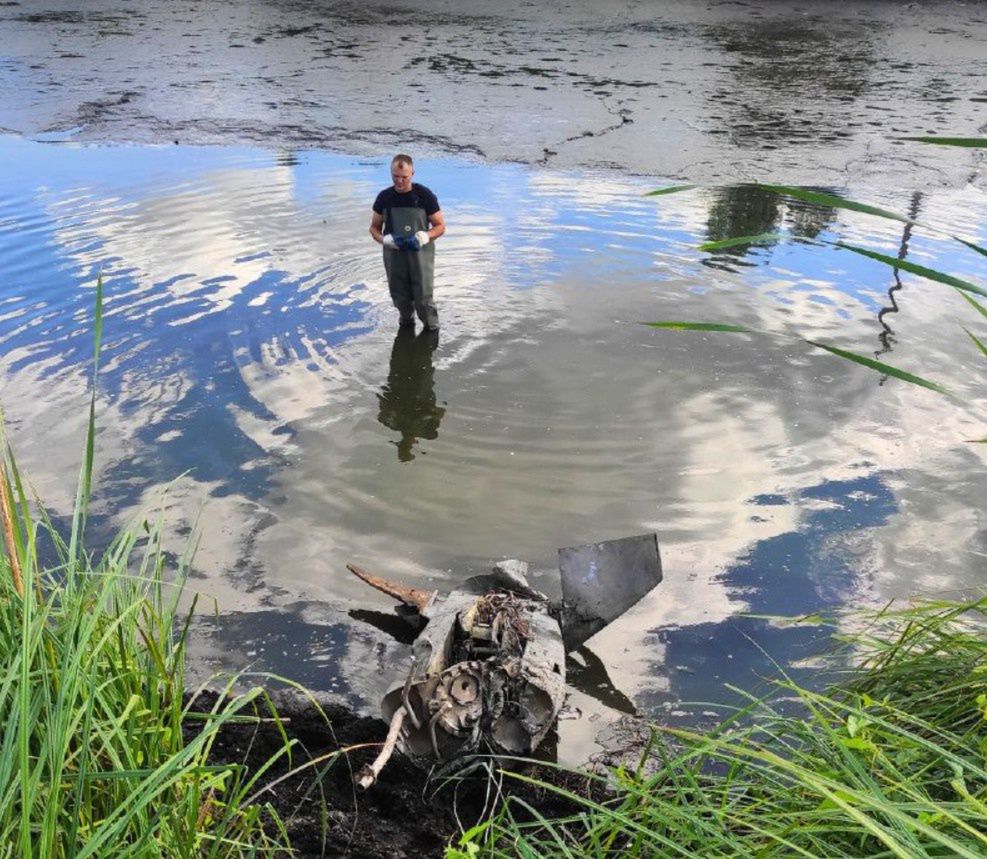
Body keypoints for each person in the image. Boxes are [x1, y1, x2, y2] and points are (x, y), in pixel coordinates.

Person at [370, 154, 445, 330]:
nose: (399, 181)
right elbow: (374, 228)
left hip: (421, 256)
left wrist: (424, 236)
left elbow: (440, 226)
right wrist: (385, 240)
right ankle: (406, 326)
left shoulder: (424, 196)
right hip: (394, 257)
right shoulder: (384, 198)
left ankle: (431, 331)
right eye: (395, 176)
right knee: (400, 298)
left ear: (412, 173)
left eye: (404, 177)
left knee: (424, 299)